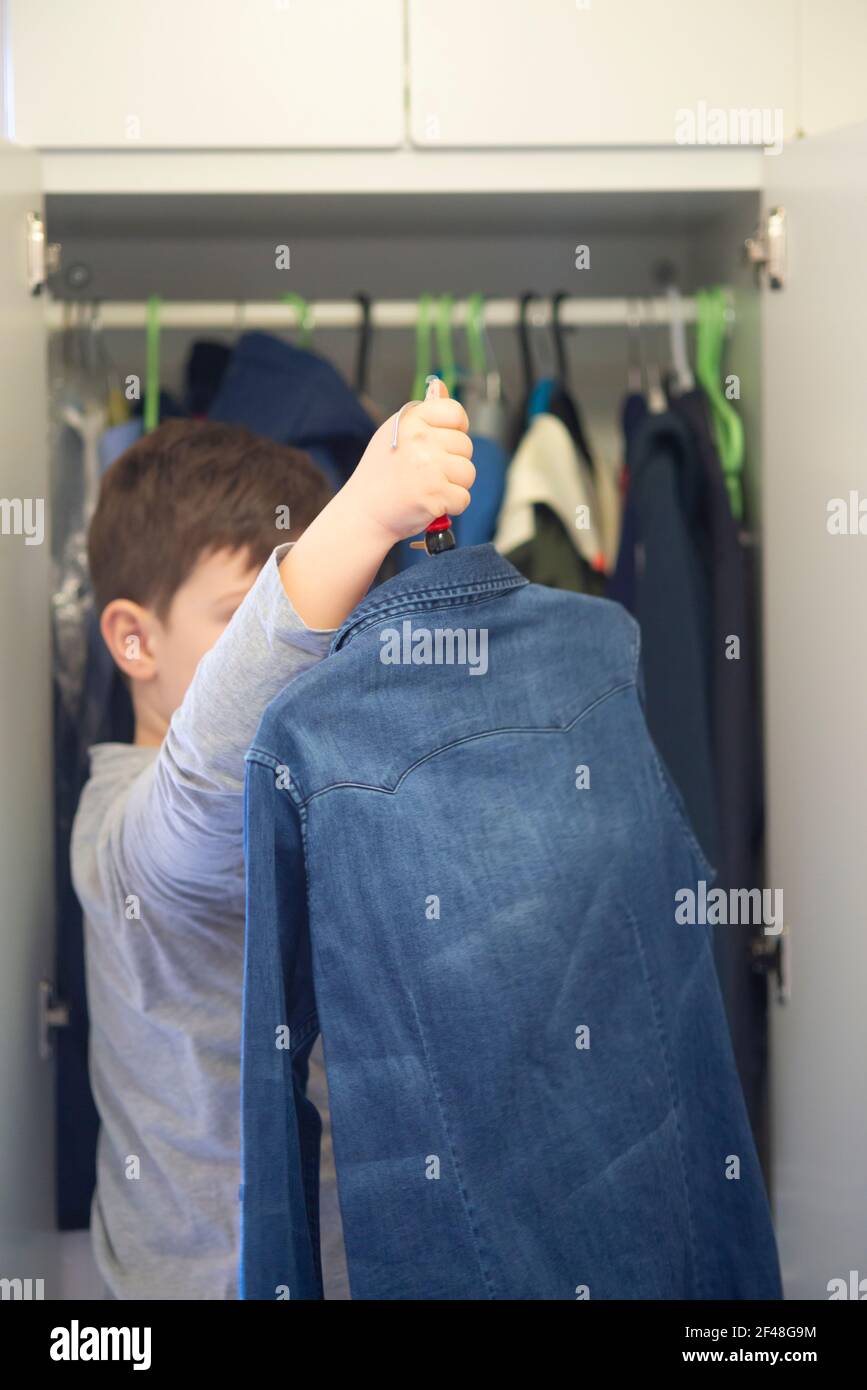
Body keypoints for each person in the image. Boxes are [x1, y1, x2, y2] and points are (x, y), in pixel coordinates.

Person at [71, 384, 474, 1299]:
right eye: (234, 616)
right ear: (134, 640)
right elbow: (208, 774)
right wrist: (364, 513)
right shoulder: (125, 833)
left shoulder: (329, 788)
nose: (309, 670)